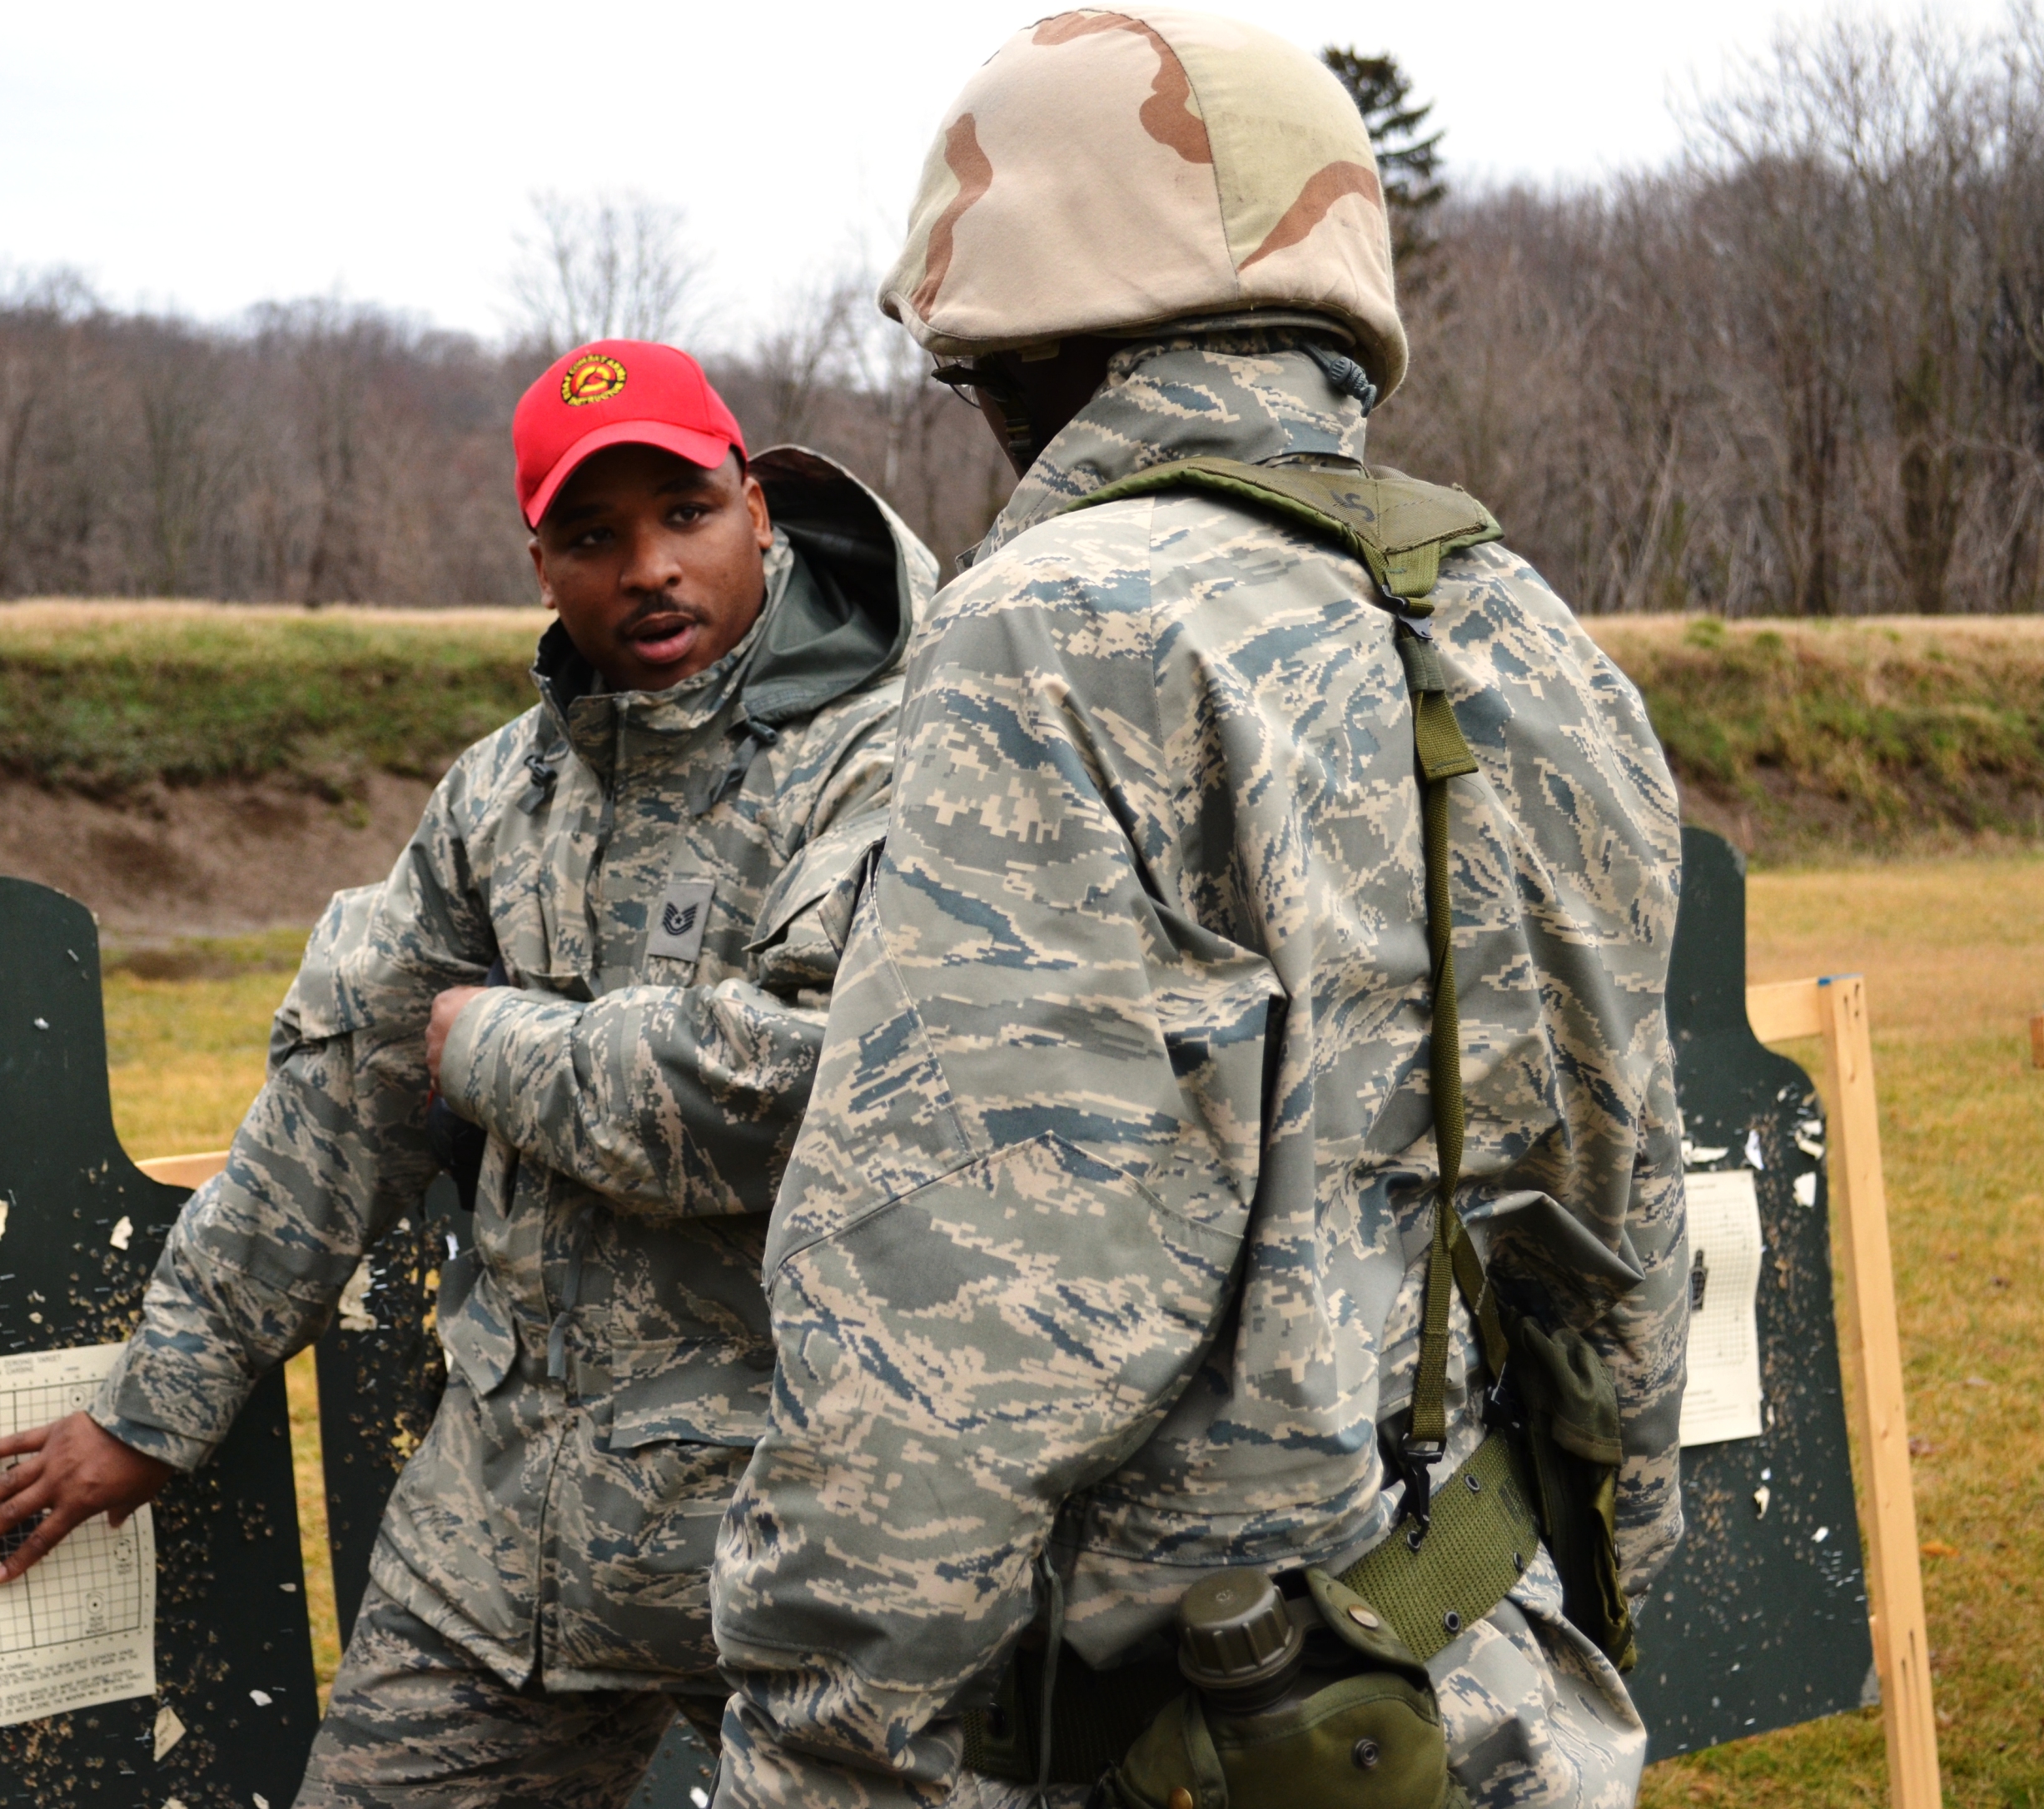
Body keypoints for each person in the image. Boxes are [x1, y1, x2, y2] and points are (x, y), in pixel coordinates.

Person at [707, 12, 1688, 1808]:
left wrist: (824, 1748)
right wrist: (1589, 1606)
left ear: (1017, 342)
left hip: (1168, 1743)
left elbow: (947, 1352)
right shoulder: (1536, 637)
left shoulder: (1060, 636)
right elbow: (1621, 1221)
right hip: (1494, 1693)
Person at [0, 338, 936, 1808]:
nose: (648, 568)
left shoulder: (908, 752)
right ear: (541, 565)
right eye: (593, 536)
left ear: (760, 508)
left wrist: (488, 1046)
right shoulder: (500, 801)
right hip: (509, 1553)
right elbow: (330, 1116)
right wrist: (155, 1407)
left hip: (820, 1548)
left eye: (686, 513)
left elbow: (796, 1094)